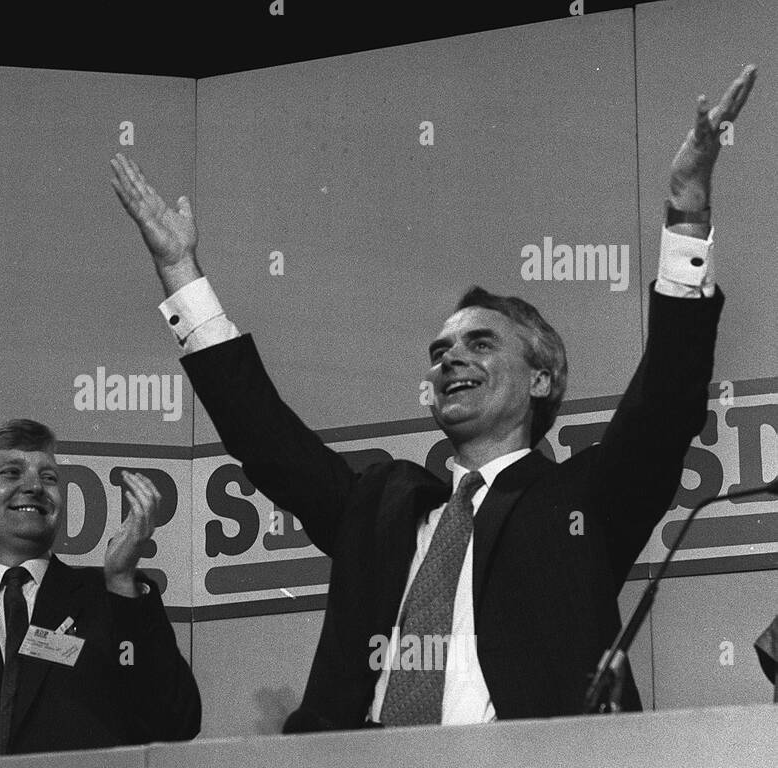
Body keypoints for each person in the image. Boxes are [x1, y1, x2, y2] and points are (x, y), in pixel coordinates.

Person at [112, 67, 756, 731]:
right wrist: (180, 274)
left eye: (480, 344)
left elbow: (666, 402)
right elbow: (265, 436)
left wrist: (686, 211)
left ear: (542, 378)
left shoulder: (582, 503)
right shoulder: (380, 506)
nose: (450, 359)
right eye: (440, 351)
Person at [0, 418, 200, 761]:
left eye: (49, 477)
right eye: (11, 473)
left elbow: (173, 724)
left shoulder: (111, 598)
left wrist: (120, 582)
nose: (35, 487)